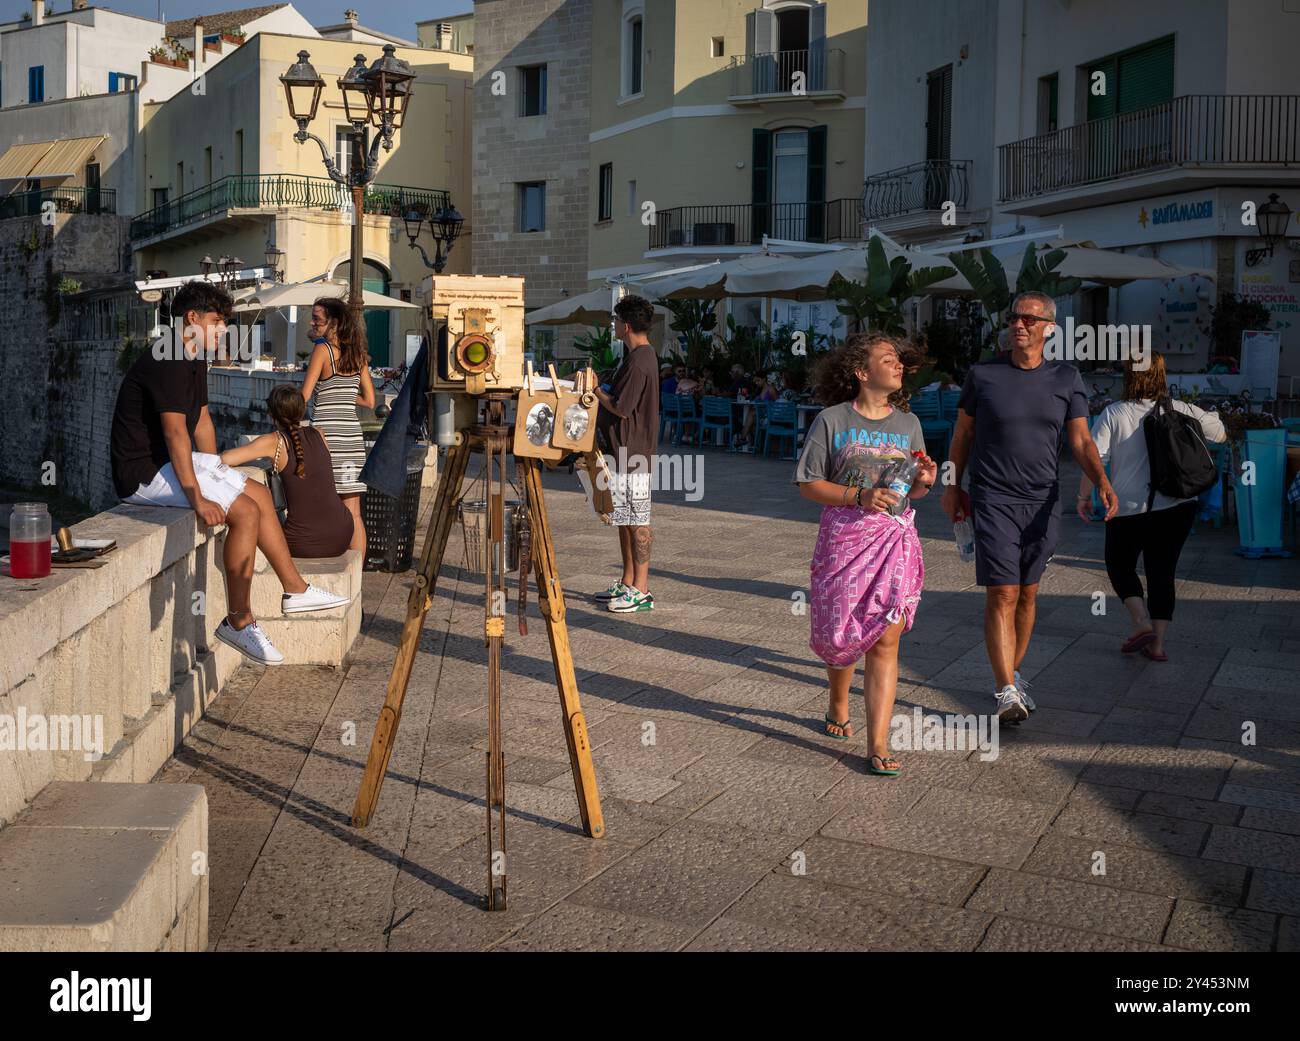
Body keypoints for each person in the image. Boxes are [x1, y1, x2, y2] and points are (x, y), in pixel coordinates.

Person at [111, 281, 350, 666]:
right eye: (218, 321)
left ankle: (295, 589)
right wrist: (199, 496)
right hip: (143, 474)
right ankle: (239, 622)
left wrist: (218, 473)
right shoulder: (168, 358)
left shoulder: (191, 356)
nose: (224, 329)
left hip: (171, 463)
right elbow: (175, 433)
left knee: (256, 495)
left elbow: (202, 421)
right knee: (245, 511)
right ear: (192, 318)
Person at [942, 291, 1118, 724]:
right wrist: (952, 484)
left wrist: (1102, 481)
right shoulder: (984, 374)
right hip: (992, 496)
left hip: (1042, 499)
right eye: (1013, 317)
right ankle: (1005, 690)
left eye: (1029, 319)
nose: (1019, 324)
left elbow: (1080, 439)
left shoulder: (1065, 378)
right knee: (1002, 590)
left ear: (1049, 328)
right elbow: (962, 436)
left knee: (1028, 593)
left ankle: (1014, 677)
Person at [795, 333, 936, 775]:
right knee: (842, 634)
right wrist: (858, 496)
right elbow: (809, 483)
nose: (898, 367)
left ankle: (878, 742)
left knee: (886, 635)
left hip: (893, 538)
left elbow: (912, 489)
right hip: (845, 537)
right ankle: (838, 701)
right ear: (862, 371)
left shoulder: (908, 424)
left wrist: (926, 481)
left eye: (899, 361)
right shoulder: (832, 420)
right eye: (888, 360)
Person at [1078, 353, 1226, 663]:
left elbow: (1094, 459)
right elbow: (1220, 434)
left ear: (1128, 376)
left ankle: (1140, 621)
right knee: (1163, 572)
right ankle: (1157, 646)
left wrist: (1083, 496)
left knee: (1119, 565)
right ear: (1161, 376)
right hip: (1178, 506)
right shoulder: (1181, 409)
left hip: (1127, 508)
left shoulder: (1114, 413)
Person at [220, 385, 355, 558]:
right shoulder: (319, 434)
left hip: (304, 541)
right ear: (302, 410)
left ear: (271, 415)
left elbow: (225, 459)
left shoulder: (274, 441)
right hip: (343, 534)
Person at [592, 295, 660, 613]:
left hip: (635, 452)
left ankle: (642, 589)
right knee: (624, 518)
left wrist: (596, 392)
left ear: (627, 325)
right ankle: (628, 580)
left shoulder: (640, 360)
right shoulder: (634, 357)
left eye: (617, 321)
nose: (615, 326)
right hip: (623, 450)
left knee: (638, 520)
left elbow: (621, 407)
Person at [301, 296, 376, 562]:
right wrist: (343, 396)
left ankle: (327, 563)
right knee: (353, 511)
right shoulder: (358, 355)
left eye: (317, 319)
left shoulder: (322, 350)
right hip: (352, 439)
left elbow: (304, 396)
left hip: (326, 438)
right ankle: (355, 575)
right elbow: (369, 400)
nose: (312, 323)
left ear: (333, 323)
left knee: (322, 506)